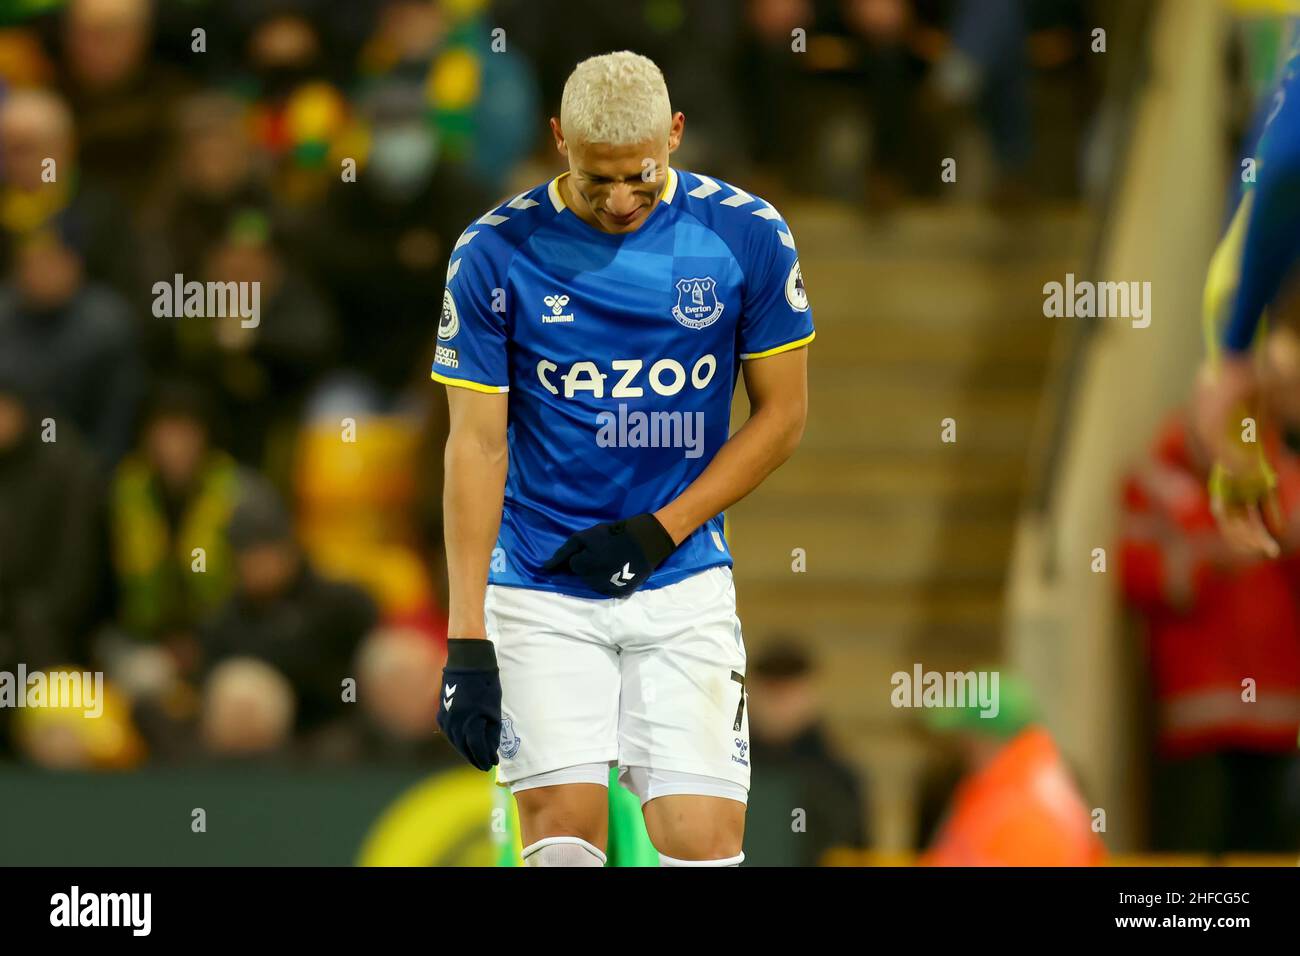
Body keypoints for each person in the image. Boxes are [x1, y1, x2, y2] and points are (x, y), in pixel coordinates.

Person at [433, 51, 814, 867]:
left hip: (681, 578)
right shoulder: (494, 252)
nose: (617, 200)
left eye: (639, 176)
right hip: (540, 582)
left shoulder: (746, 234)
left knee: (701, 843)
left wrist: (659, 530)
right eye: (594, 178)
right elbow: (476, 443)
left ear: (675, 134)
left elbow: (783, 417)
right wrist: (467, 638)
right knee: (564, 840)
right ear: (557, 141)